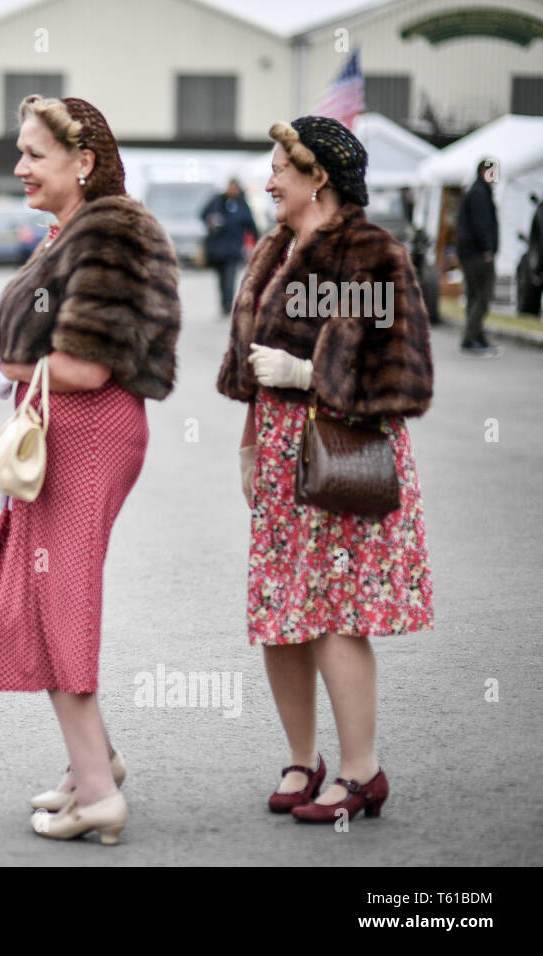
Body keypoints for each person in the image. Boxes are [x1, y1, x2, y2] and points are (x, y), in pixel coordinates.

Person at [0, 95, 180, 845]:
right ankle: (95, 767)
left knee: (57, 604)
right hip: (74, 429)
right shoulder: (83, 228)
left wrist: (9, 365)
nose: (18, 167)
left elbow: (83, 365)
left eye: (34, 155)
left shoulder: (108, 230)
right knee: (49, 594)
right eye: (19, 152)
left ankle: (99, 797)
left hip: (86, 431)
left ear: (83, 162)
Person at [216, 117, 434, 823]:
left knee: (337, 613)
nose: (269, 179)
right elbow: (253, 371)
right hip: (280, 452)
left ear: (320, 179)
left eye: (280, 166)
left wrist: (309, 372)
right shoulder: (279, 248)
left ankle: (361, 771)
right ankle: (301, 760)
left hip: (340, 448)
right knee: (283, 615)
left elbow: (401, 371)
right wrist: (249, 444)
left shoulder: (369, 252)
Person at [456, 158, 500, 356]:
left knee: (475, 296)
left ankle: (477, 336)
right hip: (477, 253)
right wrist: (488, 248)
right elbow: (481, 224)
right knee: (483, 295)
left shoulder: (477, 191)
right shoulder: (479, 193)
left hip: (470, 252)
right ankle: (471, 337)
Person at [200, 178, 258, 316]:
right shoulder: (216, 201)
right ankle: (224, 301)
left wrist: (256, 242)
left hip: (233, 247)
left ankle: (228, 303)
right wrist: (211, 222)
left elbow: (251, 225)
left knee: (230, 276)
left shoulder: (243, 204)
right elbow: (203, 215)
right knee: (221, 277)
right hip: (217, 247)